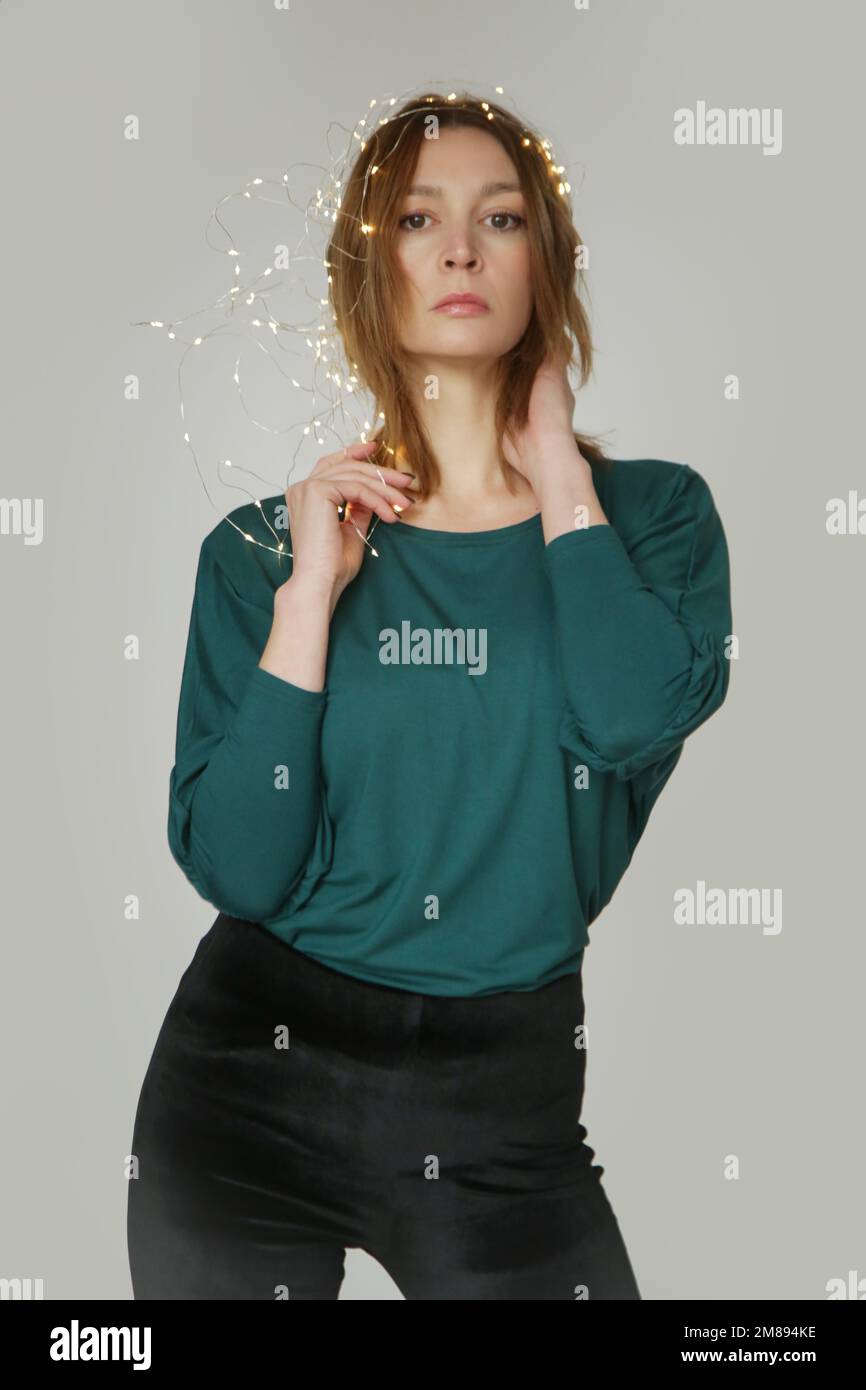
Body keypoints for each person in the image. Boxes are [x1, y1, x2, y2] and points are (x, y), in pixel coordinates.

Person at [127, 92, 732, 1300]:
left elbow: (622, 717)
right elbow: (241, 871)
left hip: (503, 1103)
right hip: (247, 1082)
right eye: (416, 217)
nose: (459, 247)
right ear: (371, 269)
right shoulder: (257, 553)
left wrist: (558, 467)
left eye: (498, 217)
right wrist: (309, 598)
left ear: (540, 267)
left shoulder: (650, 520)